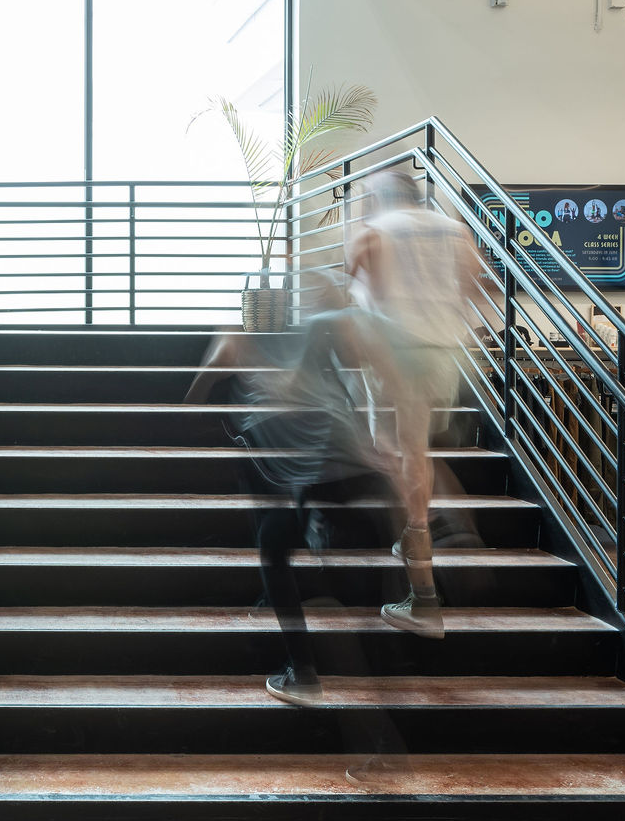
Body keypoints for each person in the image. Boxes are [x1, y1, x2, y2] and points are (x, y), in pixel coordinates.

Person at [190, 272, 401, 713]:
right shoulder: (317, 333)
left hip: (315, 472)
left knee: (272, 540)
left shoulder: (241, 340)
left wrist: (190, 408)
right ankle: (341, 544)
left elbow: (198, 391)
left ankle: (302, 671)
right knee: (270, 504)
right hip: (351, 469)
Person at [344, 168, 485, 640]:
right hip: (442, 354)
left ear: (381, 197)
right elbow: (472, 281)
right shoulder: (453, 229)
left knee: (389, 452)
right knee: (414, 454)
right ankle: (420, 531)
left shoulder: (374, 230)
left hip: (395, 352)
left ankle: (423, 586)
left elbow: (357, 280)